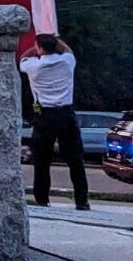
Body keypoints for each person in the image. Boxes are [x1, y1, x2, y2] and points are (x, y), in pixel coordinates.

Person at [19, 33, 90, 210]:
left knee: (42, 160)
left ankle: (42, 199)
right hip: (66, 114)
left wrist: (36, 46)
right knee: (75, 160)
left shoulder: (33, 66)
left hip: (44, 116)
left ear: (39, 47)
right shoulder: (66, 62)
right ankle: (81, 200)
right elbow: (68, 51)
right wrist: (56, 39)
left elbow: (22, 58)